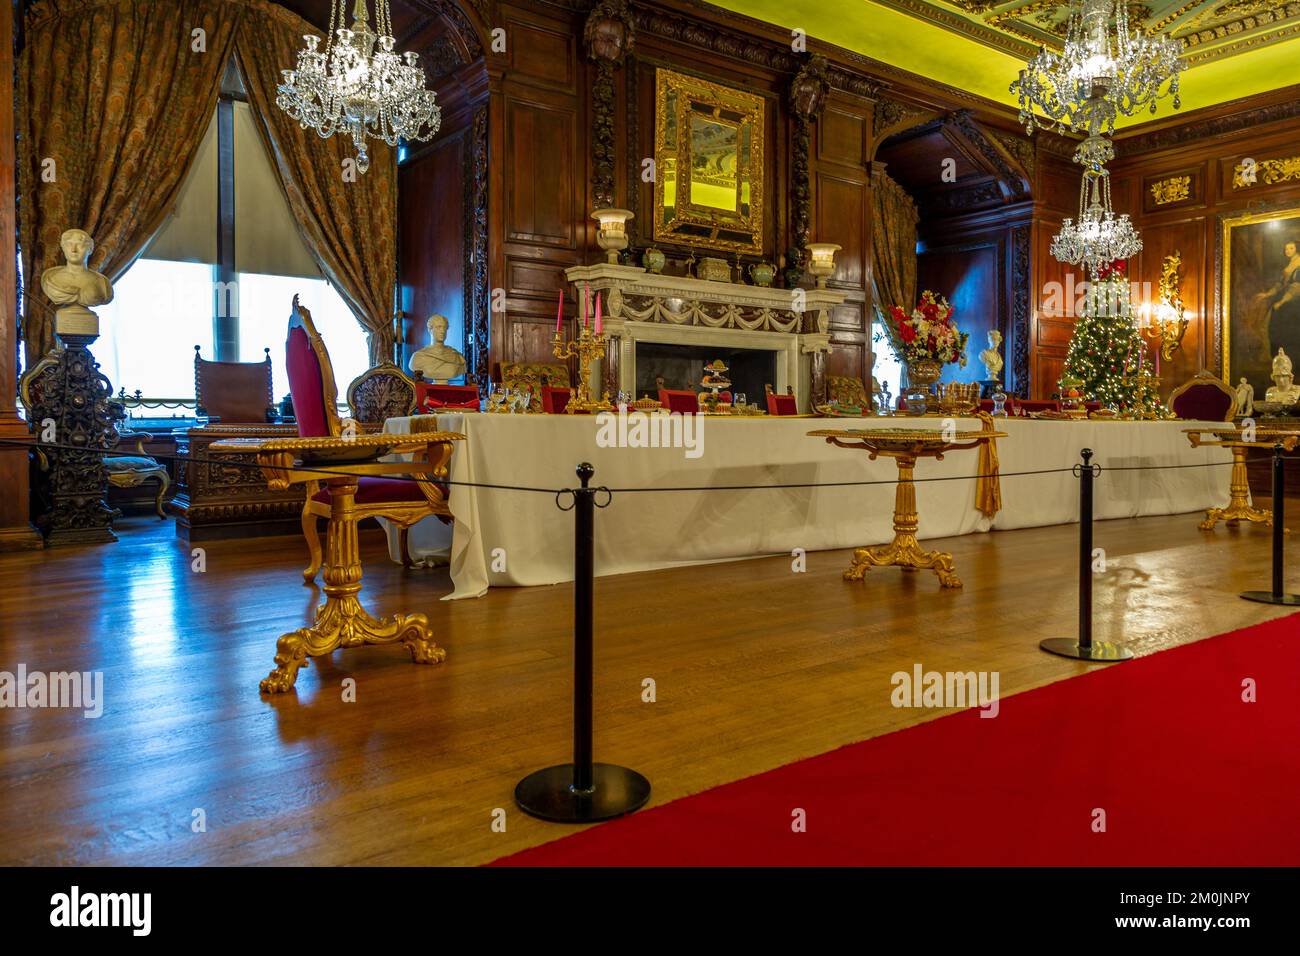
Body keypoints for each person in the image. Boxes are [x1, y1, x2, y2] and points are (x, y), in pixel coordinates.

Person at [40, 228, 113, 341]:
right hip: (65, 318)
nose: (73, 250)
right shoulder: (50, 278)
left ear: (90, 249)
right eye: (69, 245)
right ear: (63, 248)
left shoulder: (102, 283)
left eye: (80, 245)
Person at [408, 314, 467, 383]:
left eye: (444, 328)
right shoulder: (418, 357)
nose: (442, 331)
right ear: (430, 330)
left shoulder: (456, 356)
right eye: (438, 327)